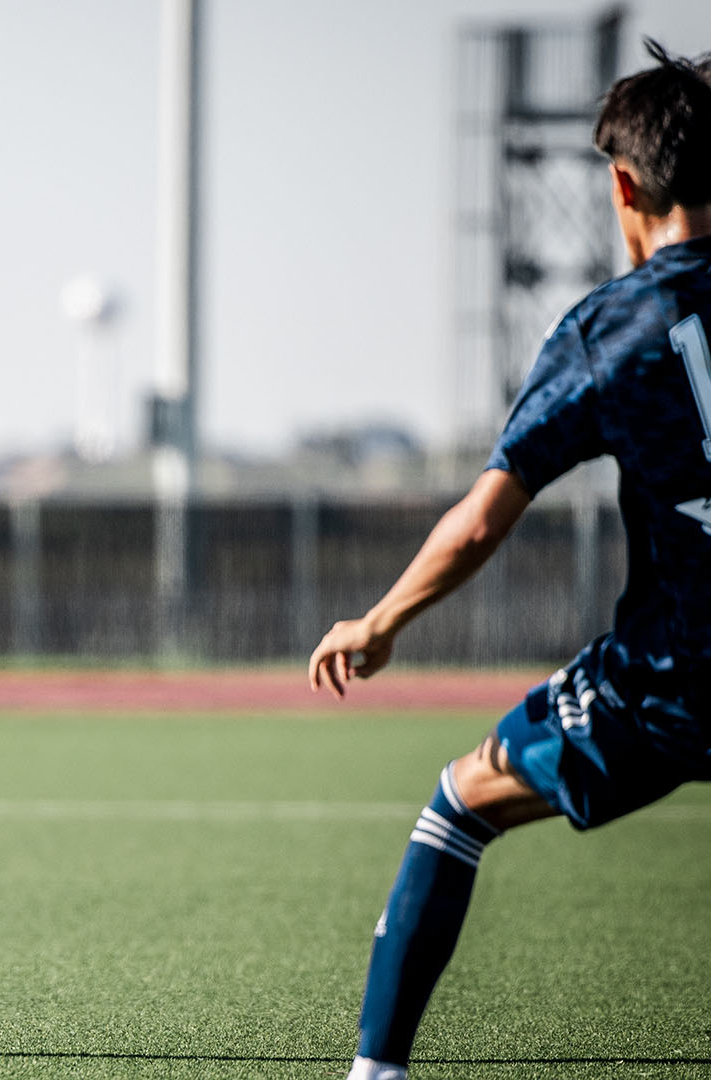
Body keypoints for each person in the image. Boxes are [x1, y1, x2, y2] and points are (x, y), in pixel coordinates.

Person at [307, 41, 711, 1080]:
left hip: (674, 679)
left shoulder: (613, 330)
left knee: (457, 804)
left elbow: (484, 520)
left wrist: (381, 620)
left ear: (624, 186)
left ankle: (375, 1074)